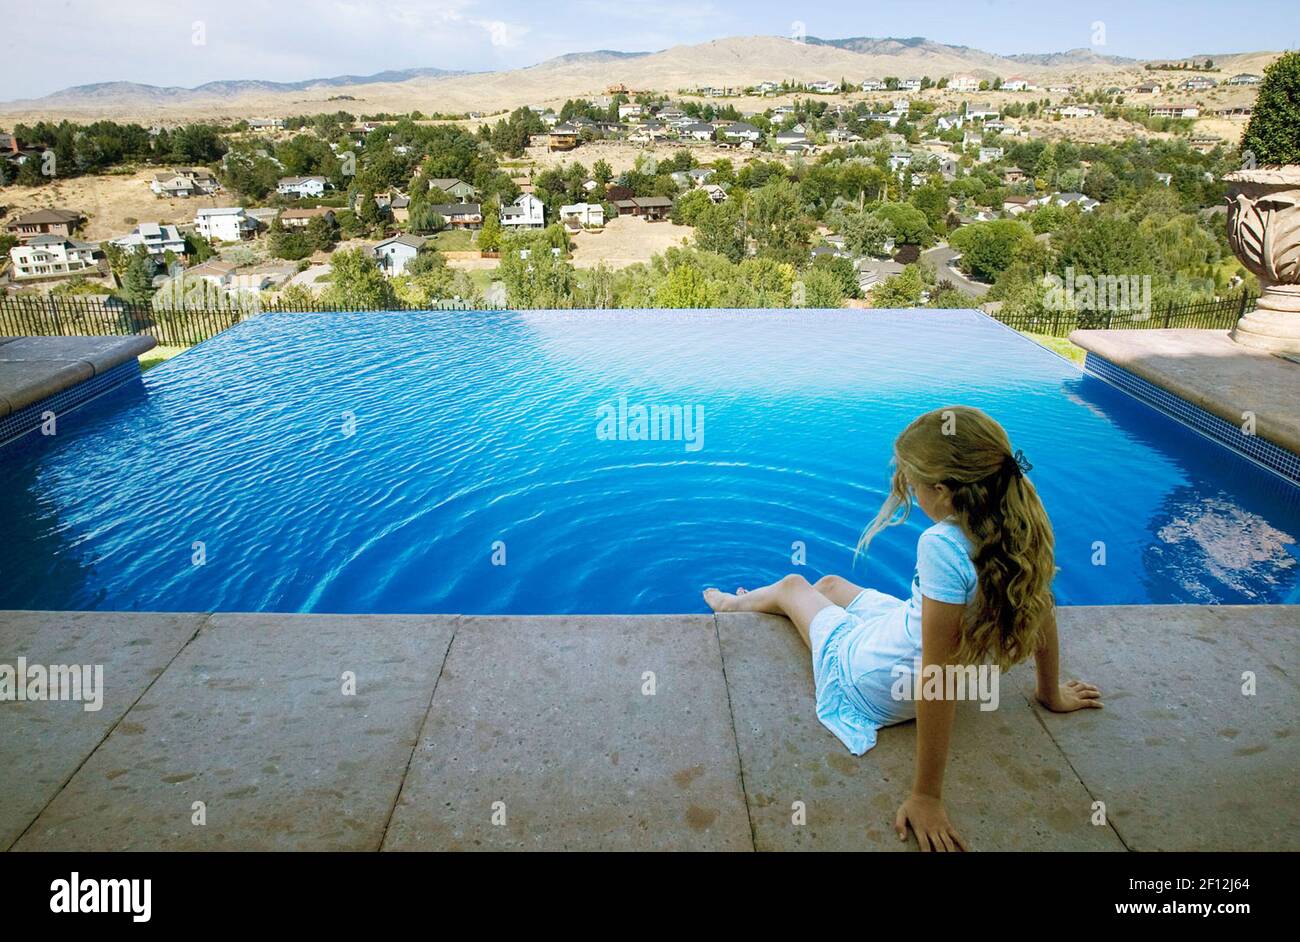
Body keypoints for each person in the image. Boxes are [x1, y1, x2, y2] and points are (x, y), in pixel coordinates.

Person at [704, 405, 1103, 851]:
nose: (911, 494)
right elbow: (1040, 604)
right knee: (832, 585)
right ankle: (798, 609)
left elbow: (938, 674)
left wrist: (927, 796)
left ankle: (731, 605)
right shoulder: (1020, 508)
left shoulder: (941, 544)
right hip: (912, 642)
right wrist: (1051, 693)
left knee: (794, 585)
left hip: (871, 680)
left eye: (914, 486)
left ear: (943, 491)